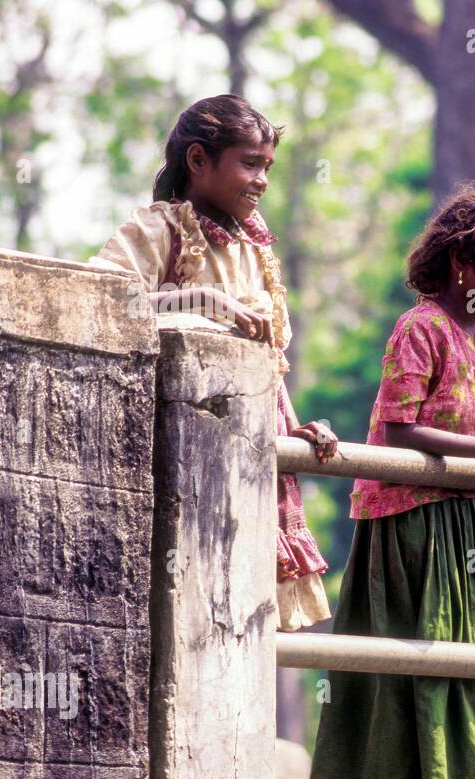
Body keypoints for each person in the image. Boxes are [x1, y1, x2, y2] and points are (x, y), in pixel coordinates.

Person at [306, 181, 475, 779]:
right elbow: (401, 429)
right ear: (464, 261)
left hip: (470, 523)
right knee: (413, 665)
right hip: (410, 517)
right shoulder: (420, 327)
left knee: (469, 668)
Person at [93, 93, 336, 632]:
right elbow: (103, 300)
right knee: (186, 592)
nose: (262, 180)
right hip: (180, 444)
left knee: (244, 608)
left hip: (253, 441)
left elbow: (270, 357)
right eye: (250, 163)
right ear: (199, 161)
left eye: (267, 167)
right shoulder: (160, 229)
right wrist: (199, 302)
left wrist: (296, 430)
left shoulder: (257, 248)